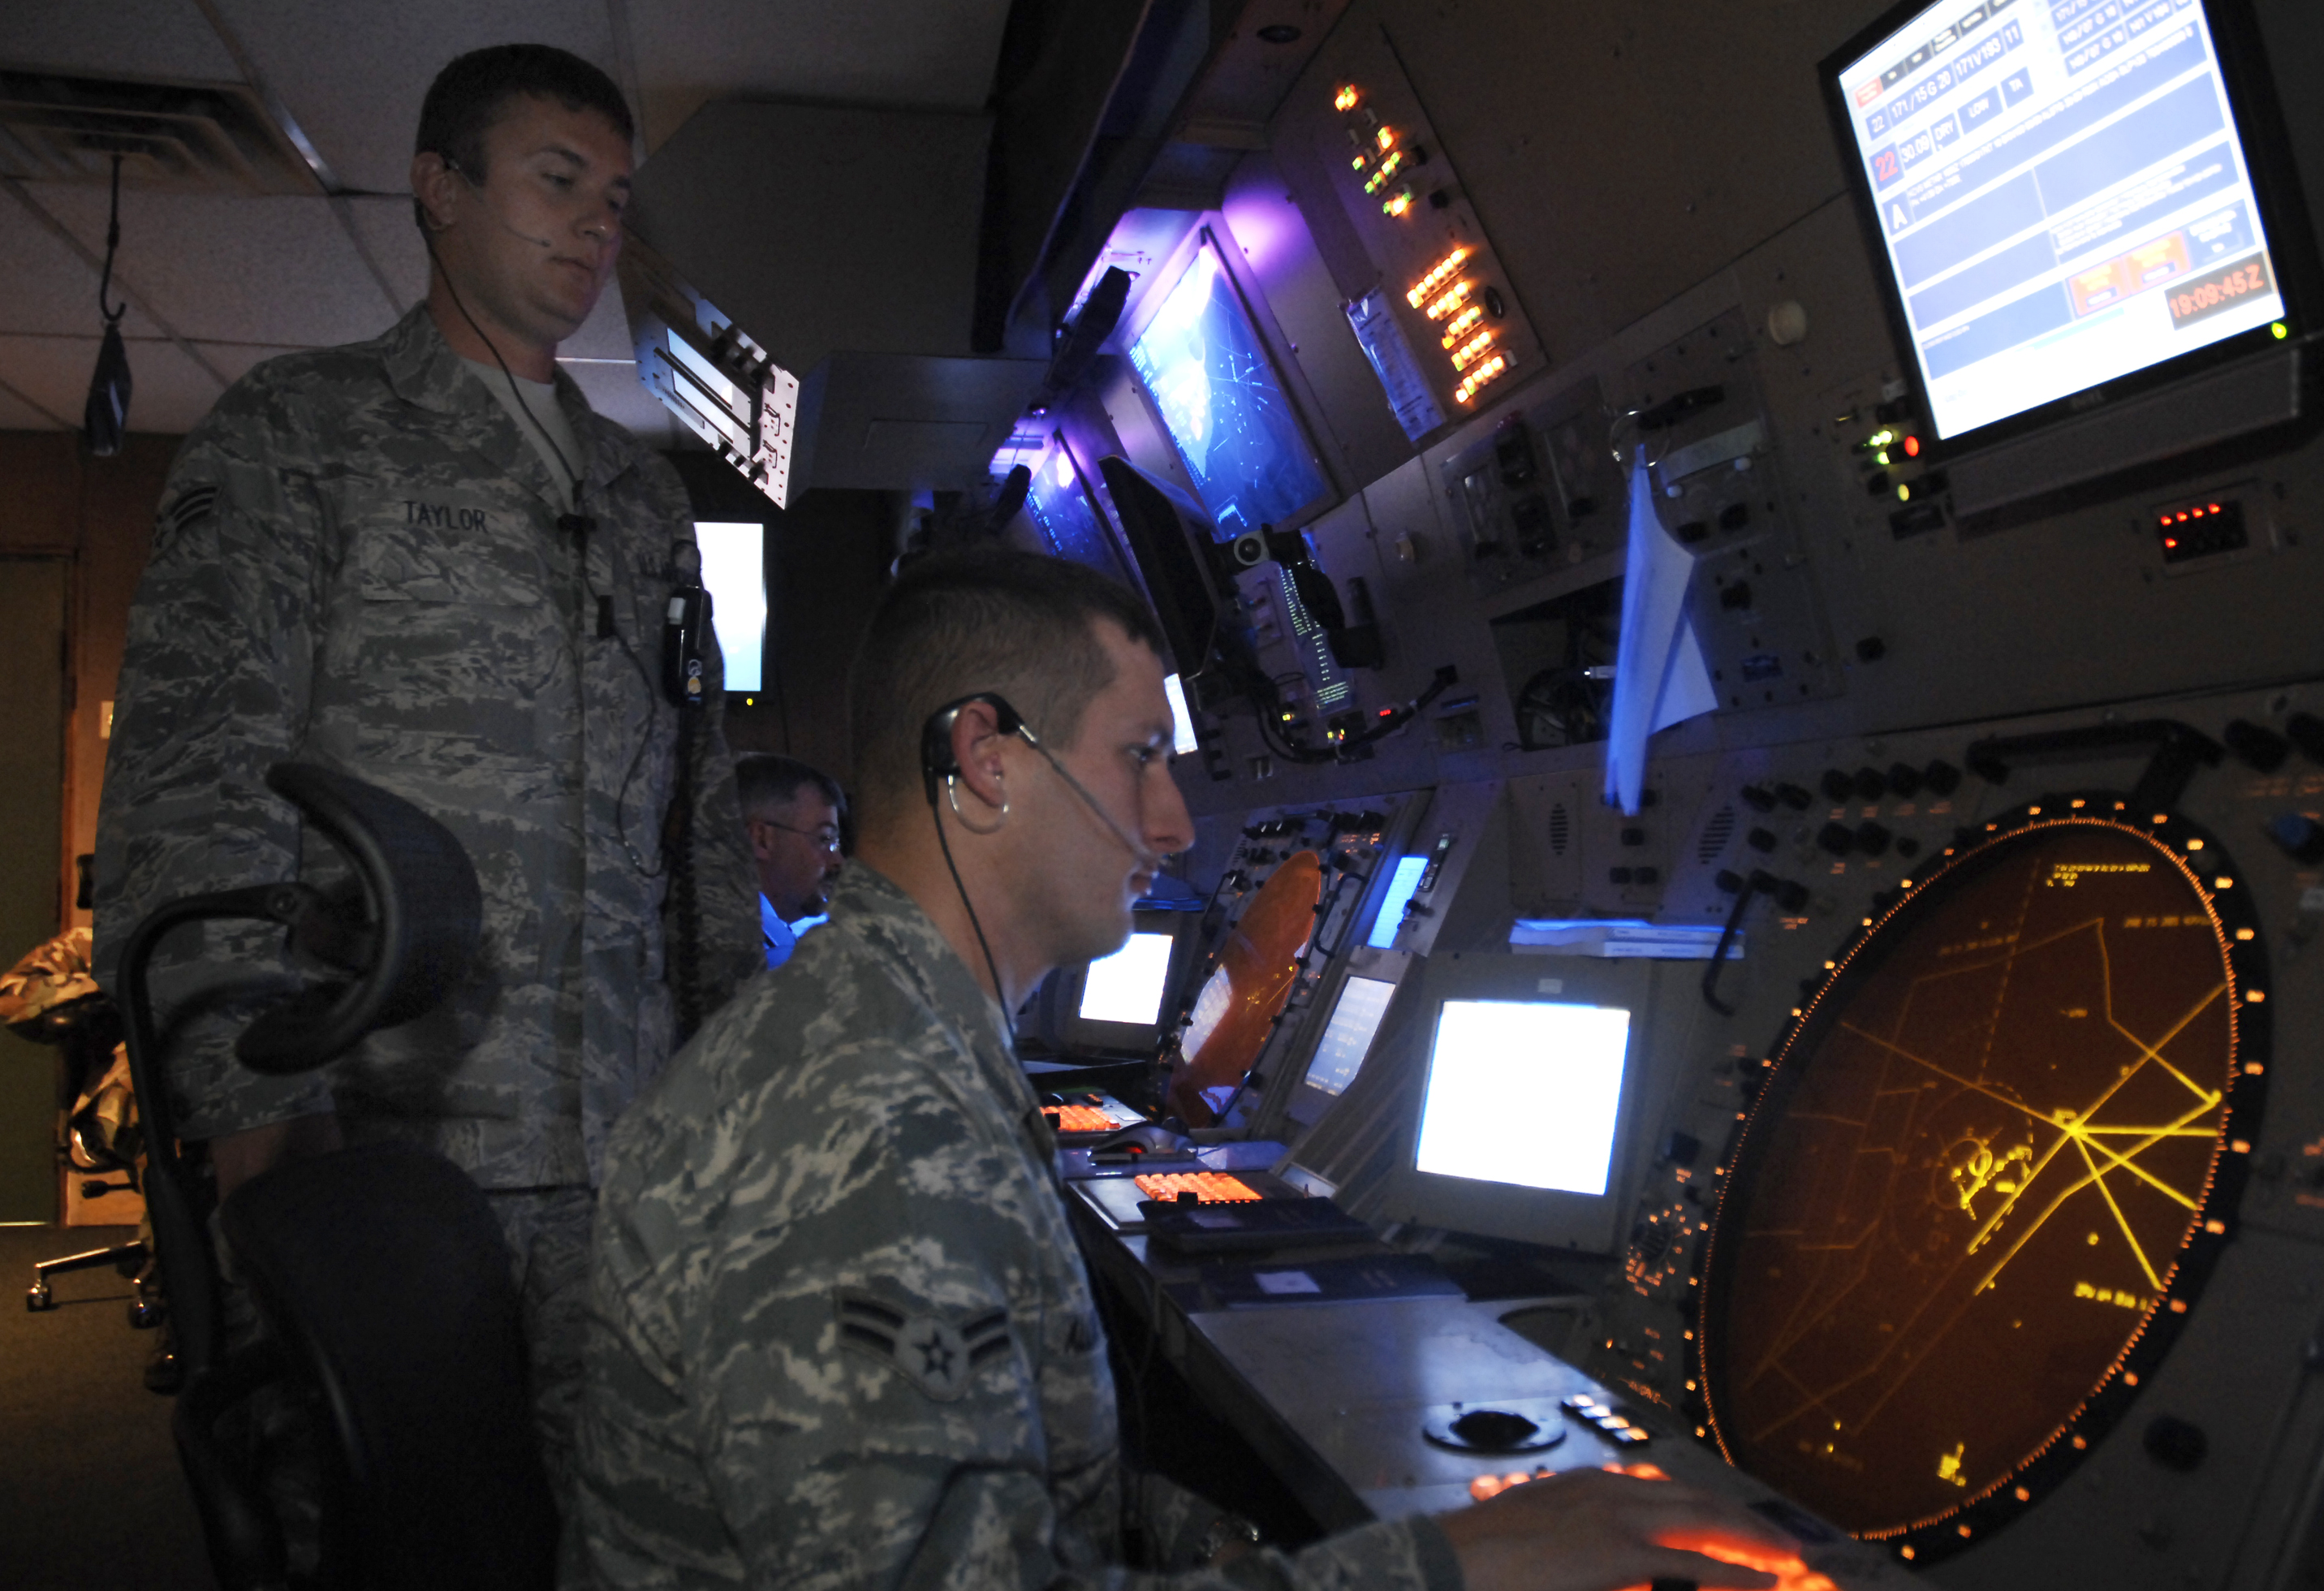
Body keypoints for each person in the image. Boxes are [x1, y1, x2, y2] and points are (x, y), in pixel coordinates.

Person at [571, 547, 1798, 1590]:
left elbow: (1020, 1495)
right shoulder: (871, 1119)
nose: (1171, 822)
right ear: (989, 761)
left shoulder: (895, 1035)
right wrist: (1443, 1565)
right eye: (1140, 755)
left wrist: (1242, 1539)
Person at [92, 42, 761, 1500]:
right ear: (438, 188)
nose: (597, 223)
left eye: (616, 194)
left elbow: (696, 820)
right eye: (557, 179)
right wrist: (258, 1130)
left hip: (624, 1165)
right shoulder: (298, 438)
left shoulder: (640, 493)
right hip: (384, 1150)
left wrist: (732, 1092)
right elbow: (189, 793)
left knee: (622, 1534)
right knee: (392, 1536)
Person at [735, 752, 847, 968]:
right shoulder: (772, 961)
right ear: (762, 840)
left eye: (837, 844)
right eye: (824, 839)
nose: (838, 861)